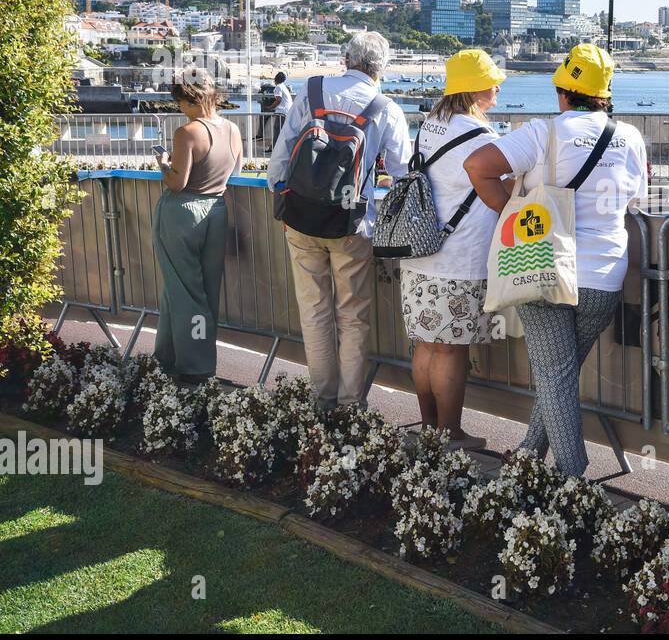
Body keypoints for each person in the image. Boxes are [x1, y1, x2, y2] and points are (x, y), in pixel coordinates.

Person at [464, 43, 648, 478]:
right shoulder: (630, 137)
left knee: (555, 375)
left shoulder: (543, 133)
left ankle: (571, 479)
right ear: (604, 95)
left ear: (562, 92)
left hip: (541, 265)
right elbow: (637, 197)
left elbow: (477, 166)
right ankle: (529, 452)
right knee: (558, 376)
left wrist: (510, 209)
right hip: (605, 275)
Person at [268, 31, 412, 411]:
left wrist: (283, 193)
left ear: (346, 59)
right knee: (353, 316)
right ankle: (350, 405)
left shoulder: (312, 91)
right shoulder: (386, 108)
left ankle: (321, 399)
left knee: (314, 311)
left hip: (301, 219)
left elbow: (281, 156)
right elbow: (403, 174)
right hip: (352, 224)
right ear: (381, 68)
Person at [399, 49, 510, 450]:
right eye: (491, 80)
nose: (497, 85)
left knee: (428, 344)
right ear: (472, 88)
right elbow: (506, 186)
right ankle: (450, 433)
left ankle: (429, 428)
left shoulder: (431, 125)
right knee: (450, 348)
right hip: (459, 255)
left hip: (420, 248)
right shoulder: (481, 138)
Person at [151, 69, 243, 382]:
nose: (179, 109)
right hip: (216, 211)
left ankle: (194, 367)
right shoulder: (232, 128)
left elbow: (177, 183)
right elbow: (236, 169)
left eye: (179, 102)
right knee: (203, 290)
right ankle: (167, 357)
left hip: (182, 214)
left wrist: (164, 164)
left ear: (190, 100)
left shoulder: (187, 132)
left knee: (184, 290)